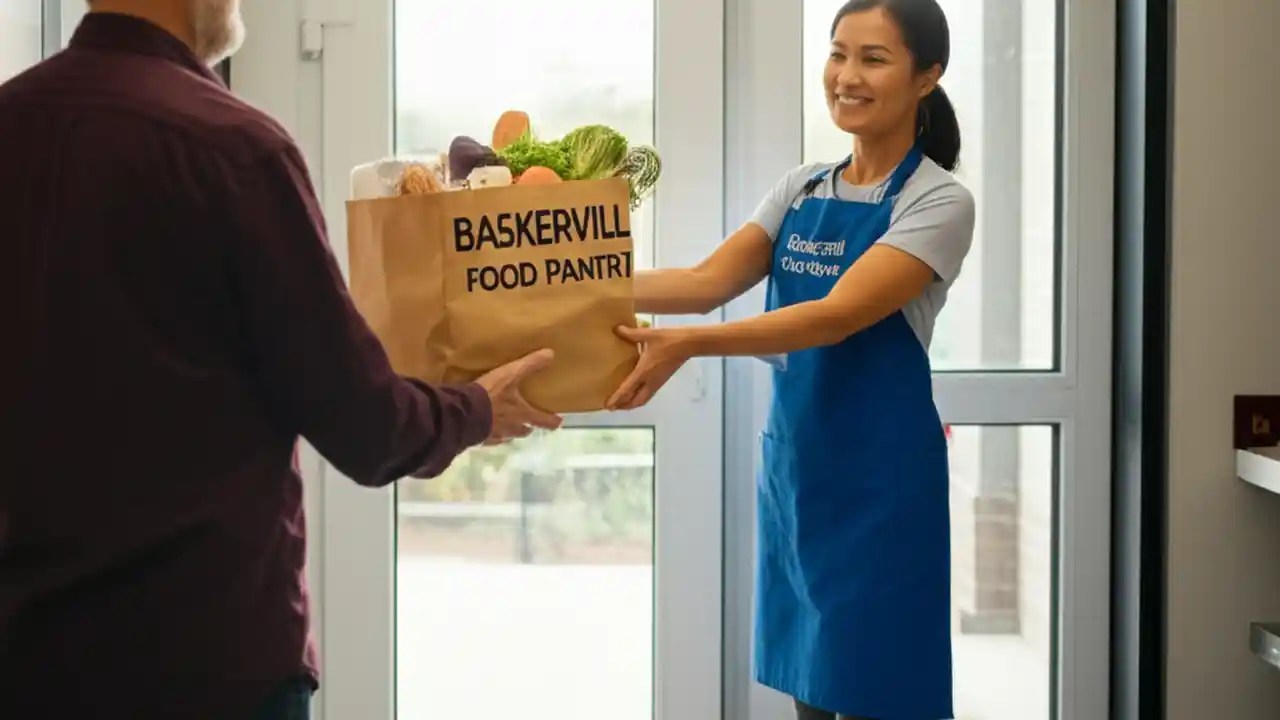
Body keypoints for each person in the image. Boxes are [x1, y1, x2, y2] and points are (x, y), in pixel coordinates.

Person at [0, 1, 561, 717]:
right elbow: (364, 424)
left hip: (28, 661)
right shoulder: (233, 147)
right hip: (210, 663)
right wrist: (476, 408)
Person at [608, 1, 974, 718]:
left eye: (874, 58)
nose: (846, 76)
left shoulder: (938, 201)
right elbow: (702, 283)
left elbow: (835, 317)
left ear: (927, 75)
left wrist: (690, 344)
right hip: (801, 476)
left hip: (882, 488)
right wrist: (566, 285)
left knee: (879, 692)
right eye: (839, 53)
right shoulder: (802, 186)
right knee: (809, 692)